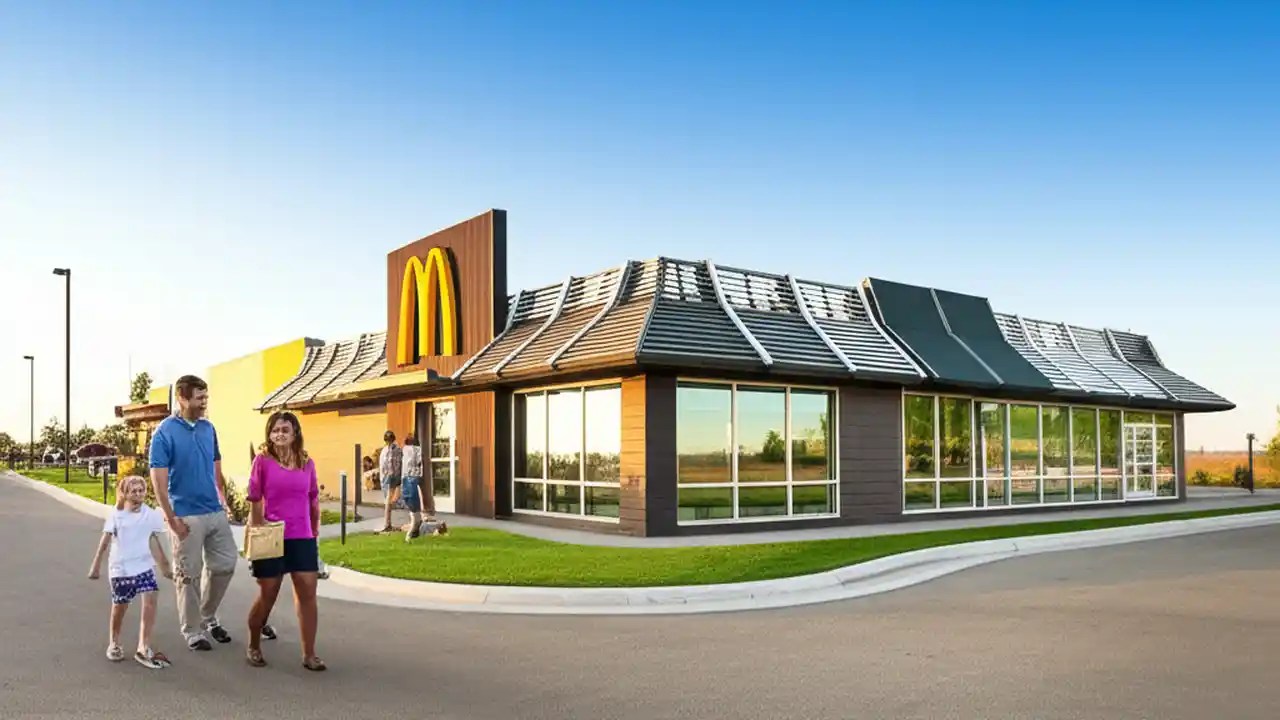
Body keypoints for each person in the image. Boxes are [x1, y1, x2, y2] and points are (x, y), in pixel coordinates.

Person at [149, 374, 238, 652]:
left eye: (206, 397)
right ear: (183, 398)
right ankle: (193, 631)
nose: (204, 403)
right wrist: (171, 517)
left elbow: (216, 467)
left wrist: (223, 499)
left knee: (225, 564)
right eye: (200, 398)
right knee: (188, 575)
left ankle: (207, 615)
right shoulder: (164, 432)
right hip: (185, 514)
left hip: (214, 510)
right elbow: (158, 480)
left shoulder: (208, 428)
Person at [244, 411, 325, 671]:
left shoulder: (306, 462)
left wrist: (314, 532)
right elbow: (255, 497)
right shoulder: (263, 461)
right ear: (269, 434)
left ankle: (309, 653)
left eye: (285, 430)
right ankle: (254, 643)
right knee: (269, 593)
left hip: (301, 536)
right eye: (275, 429)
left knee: (307, 593)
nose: (279, 434)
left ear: (295, 434)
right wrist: (258, 530)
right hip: (272, 535)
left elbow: (313, 499)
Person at [87, 475, 174, 669]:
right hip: (121, 567)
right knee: (121, 605)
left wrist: (169, 567)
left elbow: (161, 541)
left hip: (144, 565)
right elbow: (105, 542)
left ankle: (143, 646)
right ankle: (114, 642)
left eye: (141, 490)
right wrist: (96, 566)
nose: (138, 494)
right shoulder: (116, 515)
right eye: (134, 491)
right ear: (125, 493)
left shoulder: (152, 515)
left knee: (151, 600)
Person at [401, 434, 426, 540]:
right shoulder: (415, 450)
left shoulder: (408, 450)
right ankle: (416, 525)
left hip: (409, 477)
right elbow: (419, 462)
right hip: (411, 476)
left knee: (411, 502)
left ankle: (414, 528)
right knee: (411, 502)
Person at [377, 431, 402, 533]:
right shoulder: (398, 449)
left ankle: (387, 524)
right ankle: (388, 523)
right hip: (396, 476)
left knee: (387, 499)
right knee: (391, 499)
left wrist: (384, 477)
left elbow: (385, 465)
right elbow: (400, 462)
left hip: (389, 476)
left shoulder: (386, 450)